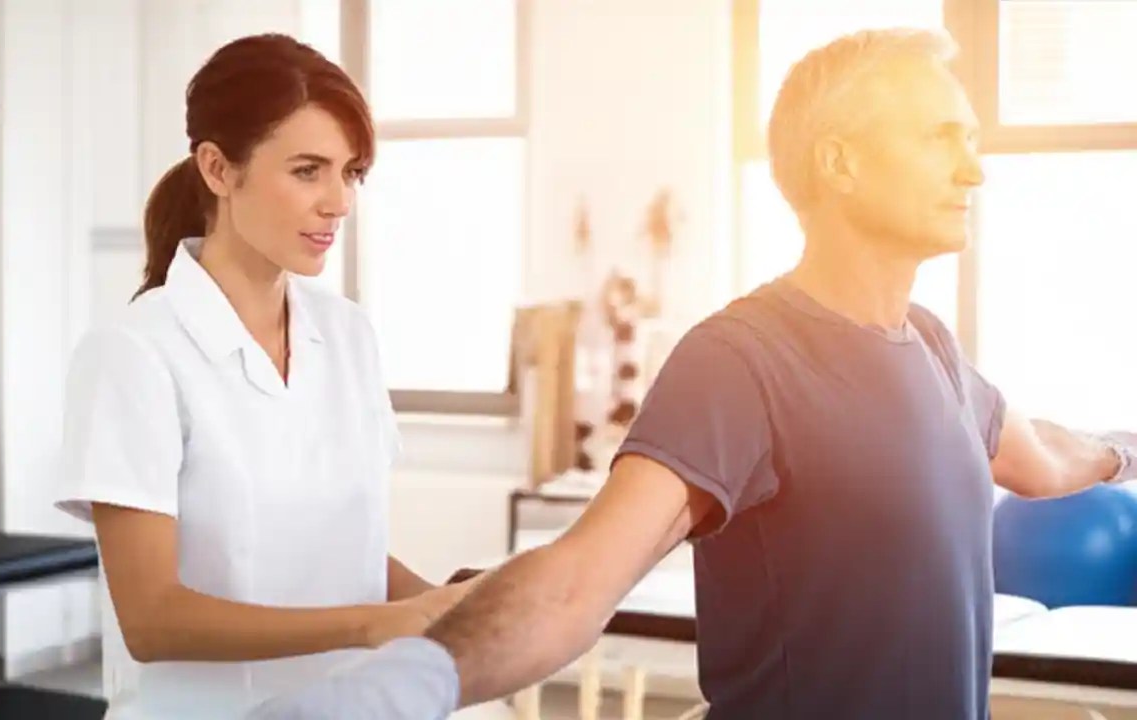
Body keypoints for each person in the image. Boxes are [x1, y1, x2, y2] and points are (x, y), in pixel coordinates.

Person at [247, 27, 1137, 720]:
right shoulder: (743, 359)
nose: (973, 170)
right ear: (839, 161)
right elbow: (580, 579)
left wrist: (1124, 450)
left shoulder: (934, 348)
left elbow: (1041, 456)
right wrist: (409, 682)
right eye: (941, 138)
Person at [53, 33, 472, 719]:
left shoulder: (349, 335)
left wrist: (450, 606)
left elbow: (346, 553)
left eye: (351, 173)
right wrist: (371, 623)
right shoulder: (133, 355)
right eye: (308, 171)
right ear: (218, 169)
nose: (338, 202)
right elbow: (152, 619)